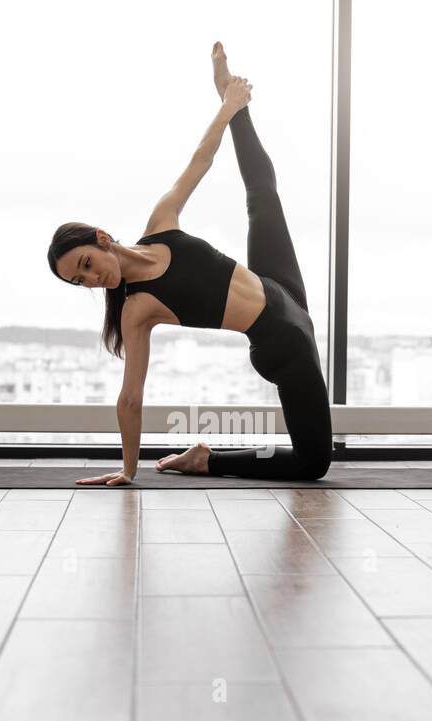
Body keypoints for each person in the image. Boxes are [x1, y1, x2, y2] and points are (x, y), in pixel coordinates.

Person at [48, 42, 332, 486]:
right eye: (79, 280)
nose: (91, 279)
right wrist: (127, 470)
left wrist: (228, 104)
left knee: (262, 193)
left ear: (103, 239)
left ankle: (236, 100)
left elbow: (201, 158)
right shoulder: (136, 308)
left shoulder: (161, 222)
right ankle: (208, 459)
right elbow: (130, 398)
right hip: (283, 342)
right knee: (313, 465)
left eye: (85, 264)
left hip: (280, 286)